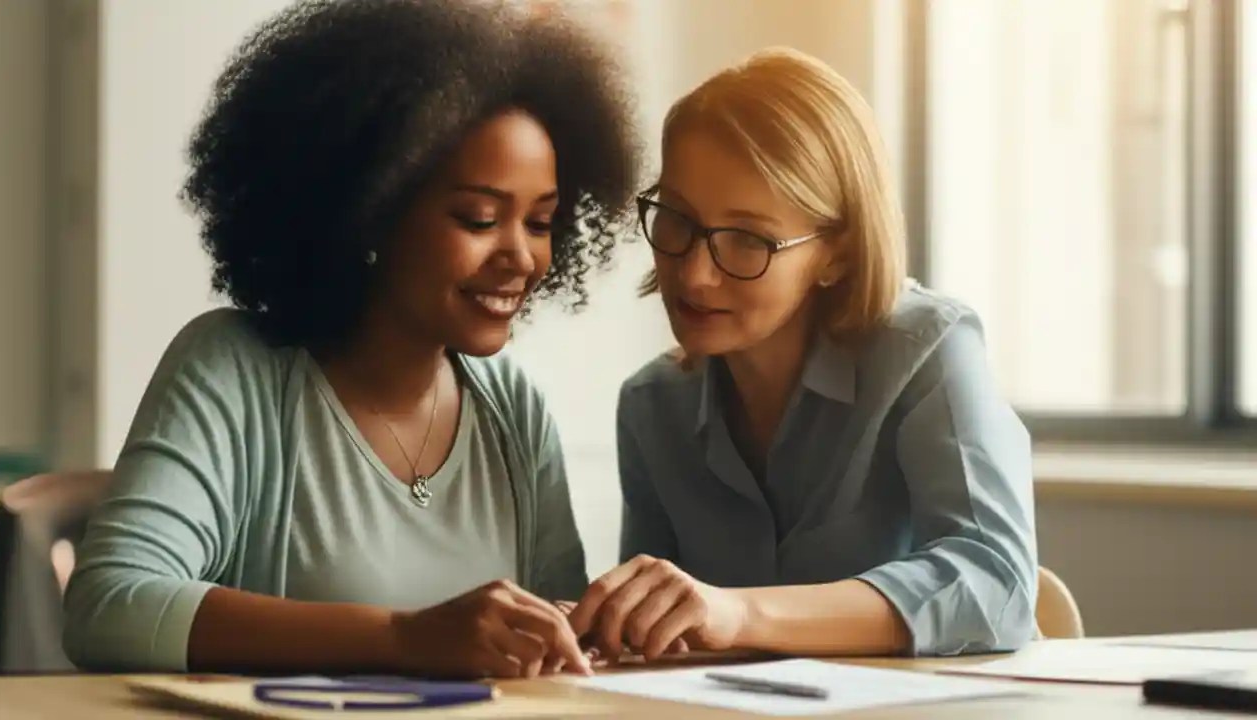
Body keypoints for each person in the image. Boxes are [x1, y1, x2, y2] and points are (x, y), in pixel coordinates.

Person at [63, 0, 639, 678]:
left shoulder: (513, 410)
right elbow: (108, 607)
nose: (521, 256)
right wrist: (405, 638)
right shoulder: (235, 370)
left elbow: (552, 642)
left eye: (540, 222)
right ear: (369, 211)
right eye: (479, 218)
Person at [569, 48, 1037, 660]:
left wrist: (738, 611)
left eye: (747, 239)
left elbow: (996, 585)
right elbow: (661, 646)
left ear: (837, 252)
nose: (695, 273)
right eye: (678, 220)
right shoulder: (651, 406)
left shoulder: (929, 351)